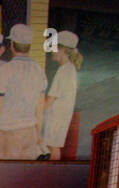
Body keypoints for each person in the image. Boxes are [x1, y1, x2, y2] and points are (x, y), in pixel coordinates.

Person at [0, 24, 47, 160]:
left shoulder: (6, 70)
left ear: (12, 44)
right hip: (29, 133)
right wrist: (39, 135)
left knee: (2, 176)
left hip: (7, 133)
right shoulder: (39, 70)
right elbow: (40, 107)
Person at [41, 31, 82, 160]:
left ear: (62, 49)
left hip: (55, 117)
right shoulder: (70, 69)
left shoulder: (64, 71)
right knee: (53, 147)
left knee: (52, 148)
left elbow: (49, 101)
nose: (51, 51)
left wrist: (36, 105)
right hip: (62, 116)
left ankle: (50, 174)